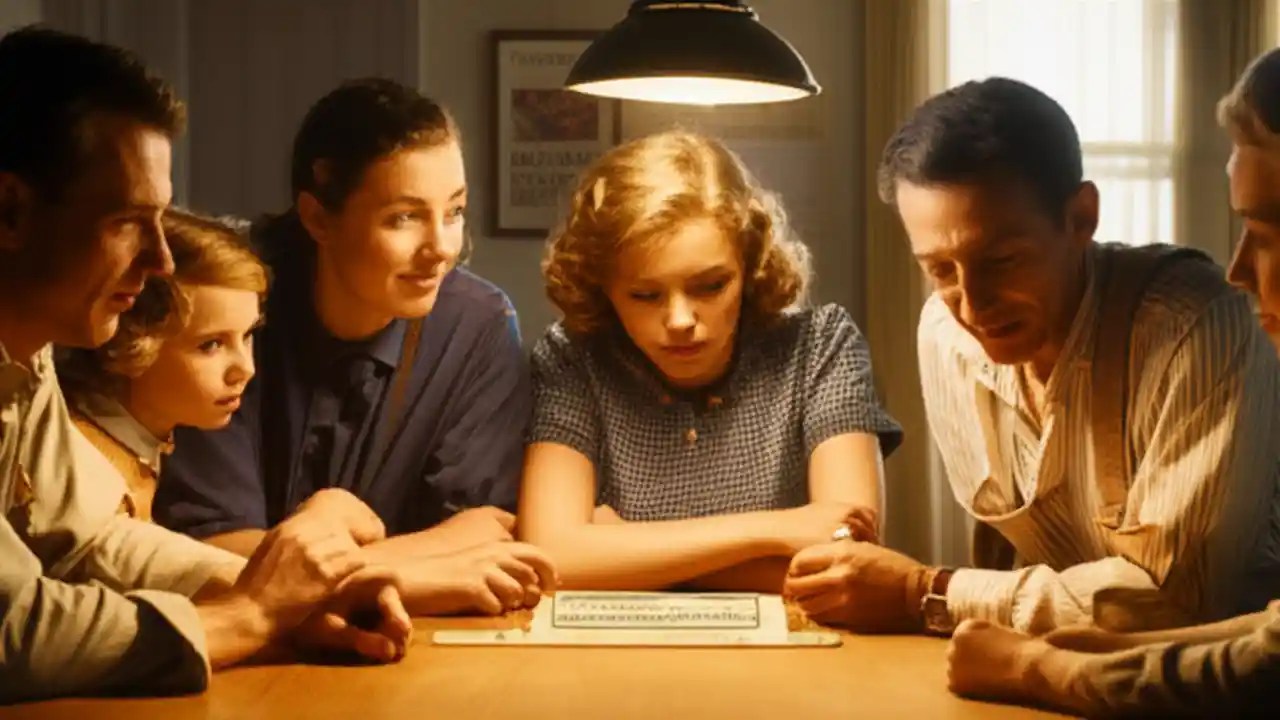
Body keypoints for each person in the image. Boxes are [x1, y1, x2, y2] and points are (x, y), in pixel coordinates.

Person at [783, 77, 1280, 635]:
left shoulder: (1195, 323)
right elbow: (1008, 551)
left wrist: (921, 590)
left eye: (1001, 261)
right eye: (940, 270)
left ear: (1080, 219)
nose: (972, 305)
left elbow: (1184, 600)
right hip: (1061, 668)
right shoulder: (944, 332)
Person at [0, 27, 408, 703]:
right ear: (9, 210)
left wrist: (284, 596)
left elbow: (85, 541)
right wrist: (247, 617)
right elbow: (12, 631)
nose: (160, 260)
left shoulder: (24, 351)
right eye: (129, 220)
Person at [944, 48, 1280, 719]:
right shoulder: (945, 336)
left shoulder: (1188, 321)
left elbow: (1263, 670)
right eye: (1245, 226)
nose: (1239, 269)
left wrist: (1043, 669)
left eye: (1274, 231)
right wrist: (1102, 648)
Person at [154, 79, 556, 617]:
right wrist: (416, 575)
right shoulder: (227, 309)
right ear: (318, 217)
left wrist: (364, 573)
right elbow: (213, 551)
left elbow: (487, 526)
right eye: (404, 217)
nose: (441, 249)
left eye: (455, 212)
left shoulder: (478, 322)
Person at [518, 130, 902, 591]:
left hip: (793, 658)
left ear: (750, 263)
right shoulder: (572, 358)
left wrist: (620, 550)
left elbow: (847, 566)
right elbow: (553, 558)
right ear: (603, 288)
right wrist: (779, 530)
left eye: (711, 286)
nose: (680, 320)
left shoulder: (821, 345)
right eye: (645, 294)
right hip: (615, 658)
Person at [58, 209, 266, 523]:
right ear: (135, 338)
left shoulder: (140, 445)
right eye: (211, 344)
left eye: (247, 335)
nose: (245, 369)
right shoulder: (85, 467)